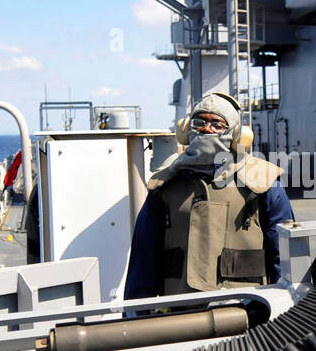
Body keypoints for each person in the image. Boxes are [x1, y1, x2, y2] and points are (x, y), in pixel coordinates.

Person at [124, 91, 294, 299]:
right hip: (181, 308)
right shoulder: (164, 186)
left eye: (217, 125)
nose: (206, 129)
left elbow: (284, 255)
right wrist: (137, 312)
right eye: (199, 122)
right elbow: (143, 260)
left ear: (237, 136)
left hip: (247, 308)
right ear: (185, 129)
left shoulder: (264, 182)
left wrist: (283, 304)